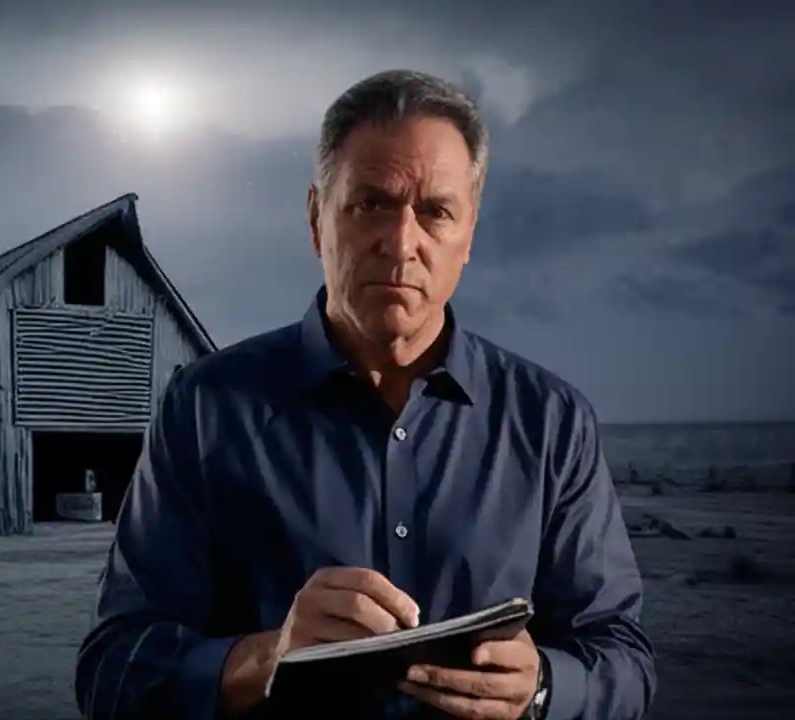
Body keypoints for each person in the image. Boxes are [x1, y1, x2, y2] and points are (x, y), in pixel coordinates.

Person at [75, 69, 656, 719]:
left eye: (435, 211)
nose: (402, 243)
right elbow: (113, 671)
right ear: (317, 218)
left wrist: (545, 686)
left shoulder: (552, 422)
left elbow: (624, 658)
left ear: (469, 235)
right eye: (372, 203)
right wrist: (270, 657)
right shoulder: (205, 409)